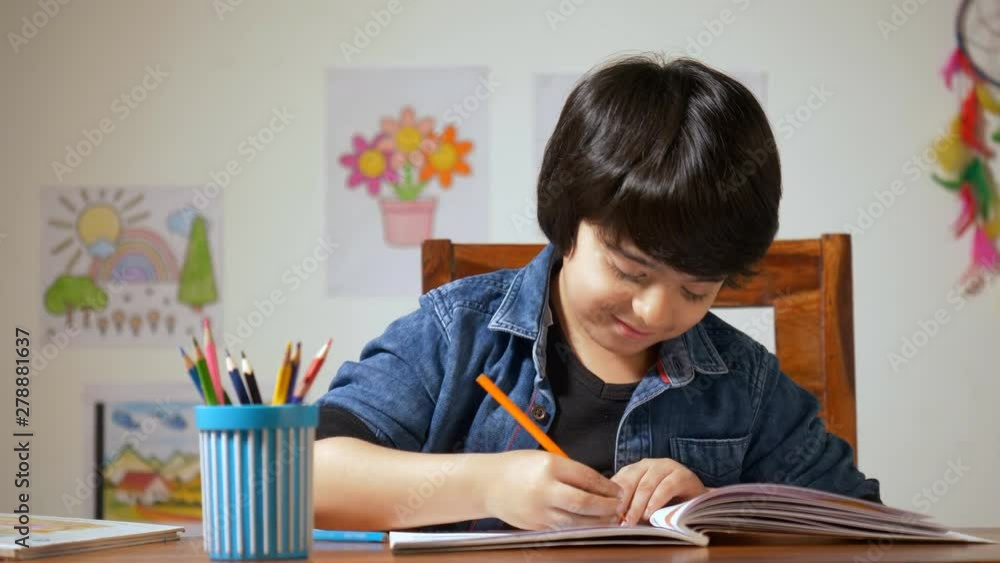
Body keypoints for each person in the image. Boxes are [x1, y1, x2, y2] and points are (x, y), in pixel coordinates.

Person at [313, 54, 880, 532]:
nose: (657, 310)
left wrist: (714, 507)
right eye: (630, 271)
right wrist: (487, 485)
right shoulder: (458, 333)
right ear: (567, 223)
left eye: (696, 289)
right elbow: (309, 473)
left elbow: (859, 521)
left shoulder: (743, 383)